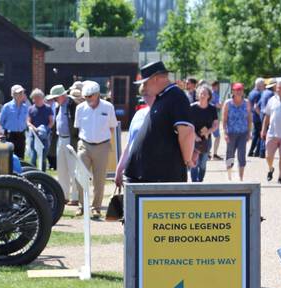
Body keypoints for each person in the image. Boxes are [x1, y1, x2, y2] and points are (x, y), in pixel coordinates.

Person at [116, 61, 194, 187]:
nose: (144, 87)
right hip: (145, 175)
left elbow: (186, 131)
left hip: (162, 177)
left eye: (145, 83)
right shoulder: (162, 97)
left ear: (156, 78)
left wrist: (187, 160)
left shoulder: (176, 96)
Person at [75, 80, 117, 216]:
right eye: (85, 96)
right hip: (84, 144)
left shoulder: (108, 107)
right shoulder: (80, 108)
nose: (87, 99)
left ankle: (96, 207)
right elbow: (78, 127)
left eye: (90, 96)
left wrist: (102, 140)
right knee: (80, 175)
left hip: (102, 145)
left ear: (97, 94)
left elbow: (112, 127)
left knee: (99, 179)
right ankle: (82, 205)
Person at [187, 84, 219, 182]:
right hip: (193, 139)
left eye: (205, 93)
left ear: (209, 96)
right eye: (201, 93)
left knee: (203, 163)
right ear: (198, 95)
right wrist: (195, 136)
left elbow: (216, 124)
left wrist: (208, 131)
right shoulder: (192, 107)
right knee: (194, 161)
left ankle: (200, 181)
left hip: (206, 140)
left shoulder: (212, 109)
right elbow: (188, 124)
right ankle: (194, 183)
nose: (202, 95)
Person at [220, 82, 250, 180]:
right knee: (230, 155)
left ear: (243, 91)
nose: (238, 92)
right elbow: (224, 120)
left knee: (242, 155)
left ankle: (241, 178)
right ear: (233, 91)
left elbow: (249, 119)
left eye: (240, 90)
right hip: (231, 133)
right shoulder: (228, 103)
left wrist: (249, 132)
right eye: (236, 90)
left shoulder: (247, 103)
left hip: (243, 133)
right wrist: (225, 133)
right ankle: (229, 176)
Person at [0, 85, 29, 158]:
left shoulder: (25, 107)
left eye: (22, 92)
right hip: (10, 135)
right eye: (19, 93)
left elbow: (26, 120)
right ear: (13, 95)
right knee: (9, 157)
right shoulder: (7, 106)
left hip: (21, 135)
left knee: (21, 156)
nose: (22, 94)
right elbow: (1, 122)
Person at [26, 88, 54, 170]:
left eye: (37, 98)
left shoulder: (48, 108)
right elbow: (28, 122)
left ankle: (43, 175)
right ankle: (33, 172)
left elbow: (51, 122)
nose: (35, 100)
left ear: (41, 98)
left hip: (45, 136)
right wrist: (35, 129)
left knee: (43, 157)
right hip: (34, 136)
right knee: (33, 156)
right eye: (34, 98)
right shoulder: (31, 109)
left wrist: (45, 129)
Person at [247, 78, 267, 156]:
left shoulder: (251, 92)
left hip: (253, 116)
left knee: (257, 134)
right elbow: (256, 107)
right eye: (263, 85)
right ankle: (253, 151)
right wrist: (261, 116)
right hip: (258, 116)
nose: (263, 87)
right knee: (258, 134)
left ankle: (256, 152)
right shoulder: (259, 94)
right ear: (259, 85)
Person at [210, 80, 224, 158]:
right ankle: (214, 154)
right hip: (213, 118)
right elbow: (218, 105)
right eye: (217, 86)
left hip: (213, 117)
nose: (218, 88)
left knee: (211, 136)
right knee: (217, 136)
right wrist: (219, 105)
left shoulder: (213, 94)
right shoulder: (213, 94)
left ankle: (211, 153)